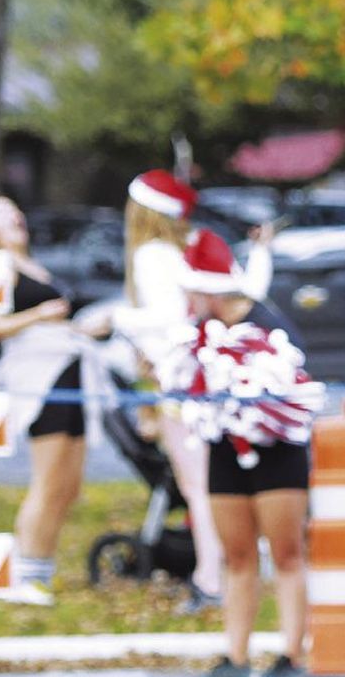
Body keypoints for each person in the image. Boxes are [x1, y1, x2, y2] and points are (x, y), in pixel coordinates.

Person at [112, 169, 272, 616]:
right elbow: (245, 289)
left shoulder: (150, 255)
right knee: (207, 482)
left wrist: (118, 322)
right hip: (197, 377)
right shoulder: (181, 250)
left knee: (198, 485)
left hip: (179, 381)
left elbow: (167, 319)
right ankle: (223, 570)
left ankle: (211, 577)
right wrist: (261, 254)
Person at [171, 230, 322, 677]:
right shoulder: (199, 336)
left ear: (209, 289)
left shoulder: (268, 326)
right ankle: (235, 657)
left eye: (192, 290)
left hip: (278, 453)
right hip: (225, 451)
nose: (187, 299)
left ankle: (290, 654)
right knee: (237, 556)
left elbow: (295, 388)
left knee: (286, 553)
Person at [0, 194, 111, 605]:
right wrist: (40, 316)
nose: (14, 215)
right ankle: (24, 572)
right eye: (0, 212)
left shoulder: (35, 264)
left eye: (15, 208)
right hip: (38, 379)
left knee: (67, 485)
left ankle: (40, 570)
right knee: (48, 478)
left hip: (69, 372)